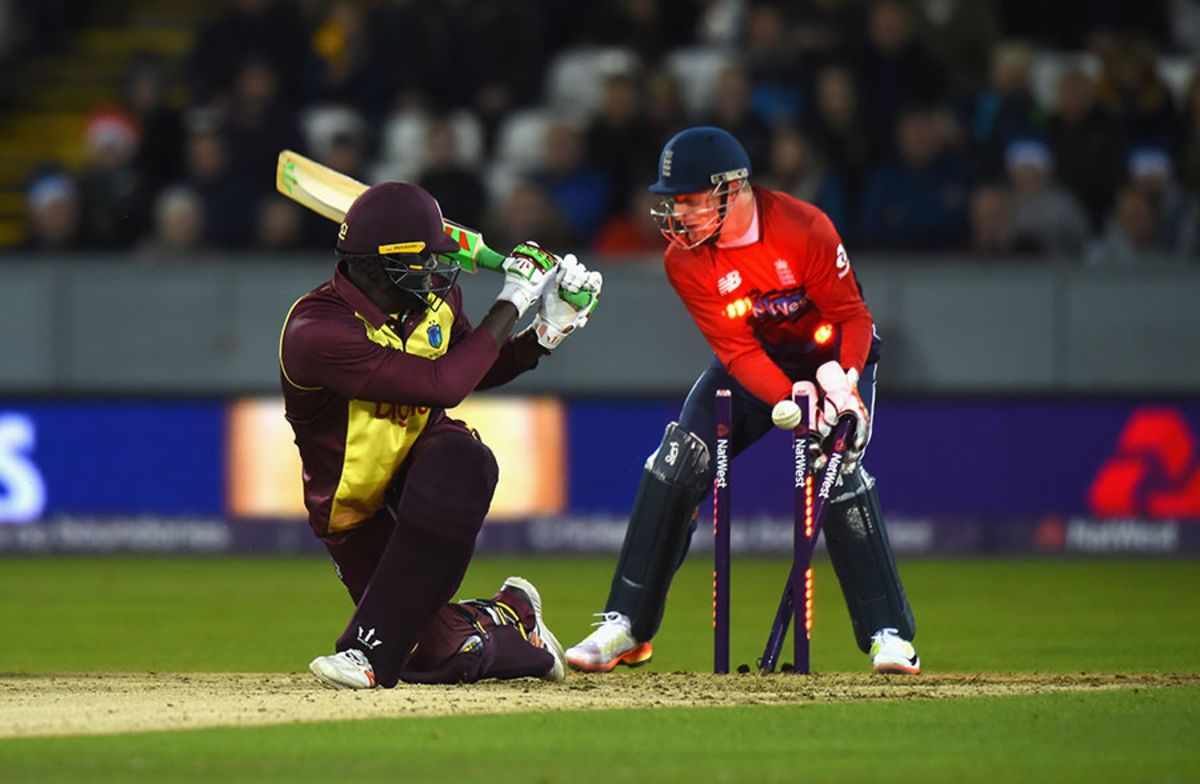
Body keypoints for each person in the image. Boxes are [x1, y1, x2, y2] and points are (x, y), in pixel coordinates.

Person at [564, 127, 920, 675]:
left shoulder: (803, 227)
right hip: (756, 365)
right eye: (672, 200)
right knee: (678, 458)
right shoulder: (683, 261)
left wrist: (841, 387)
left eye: (690, 198)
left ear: (734, 187)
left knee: (837, 466)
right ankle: (627, 625)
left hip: (834, 360)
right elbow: (735, 350)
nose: (679, 212)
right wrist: (785, 394)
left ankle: (888, 635)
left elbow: (852, 316)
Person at [279, 181, 601, 688]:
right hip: (353, 507)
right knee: (441, 656)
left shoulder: (435, 299)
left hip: (422, 466)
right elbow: (443, 383)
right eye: (423, 260)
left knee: (462, 463)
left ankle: (364, 654)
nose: (436, 272)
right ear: (378, 265)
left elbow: (473, 366)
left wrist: (547, 332)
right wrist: (515, 297)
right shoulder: (318, 331)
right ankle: (516, 619)